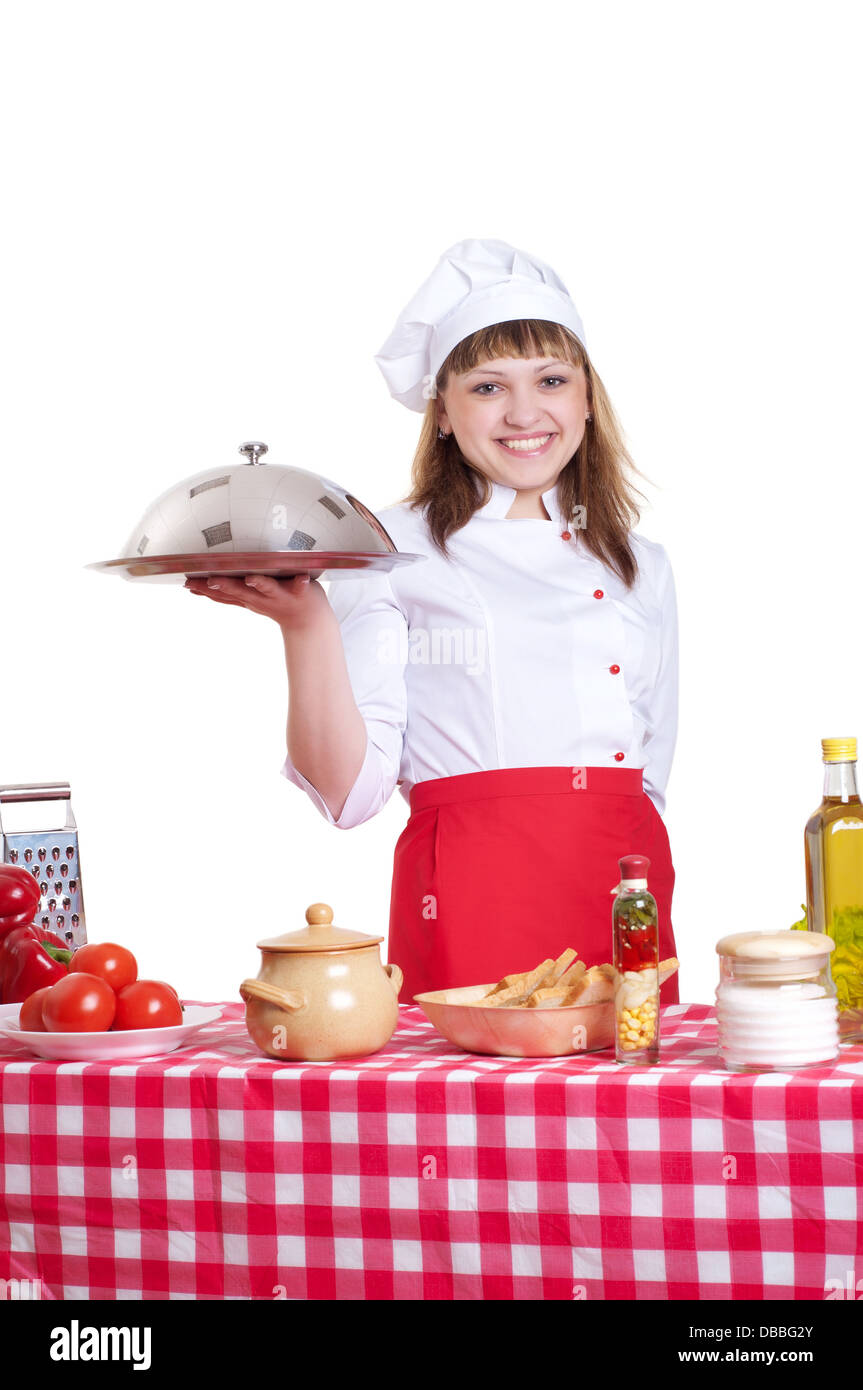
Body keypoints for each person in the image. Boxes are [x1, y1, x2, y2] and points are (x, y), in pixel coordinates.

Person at [186, 238, 680, 1005]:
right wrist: (306, 626)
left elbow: (647, 778)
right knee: (470, 1114)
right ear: (441, 411)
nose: (524, 413)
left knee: (621, 1115)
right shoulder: (386, 547)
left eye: (551, 379)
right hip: (469, 894)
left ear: (586, 397)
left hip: (623, 888)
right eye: (487, 387)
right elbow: (350, 796)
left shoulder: (638, 563)